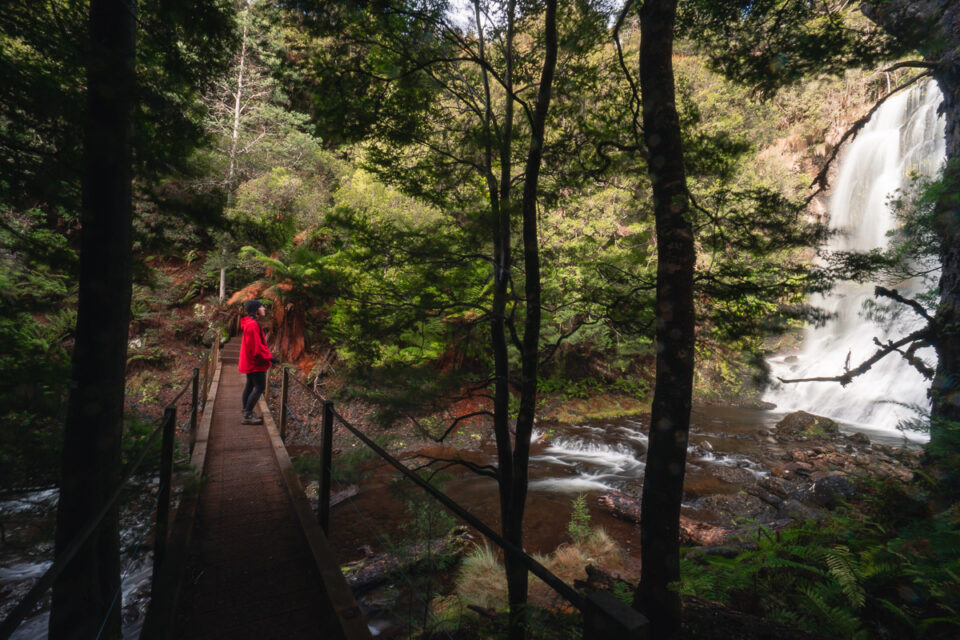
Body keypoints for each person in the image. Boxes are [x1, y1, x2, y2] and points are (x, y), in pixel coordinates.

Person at [238, 299, 277, 424]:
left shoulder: (250, 323)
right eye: (262, 307)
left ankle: (246, 411)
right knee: (259, 387)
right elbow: (256, 347)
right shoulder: (252, 325)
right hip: (255, 362)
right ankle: (247, 415)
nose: (264, 309)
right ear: (256, 310)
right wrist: (269, 357)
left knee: (250, 385)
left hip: (251, 361)